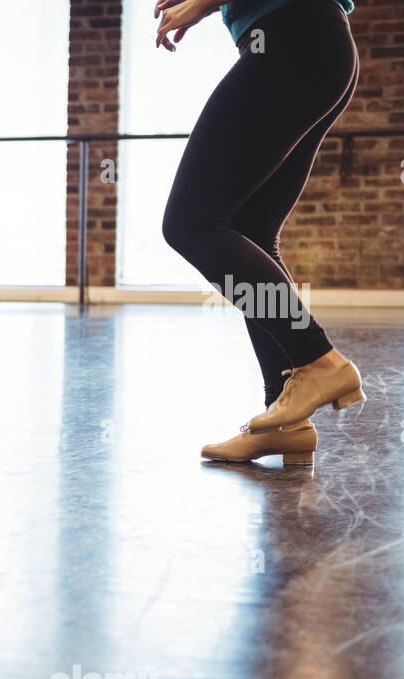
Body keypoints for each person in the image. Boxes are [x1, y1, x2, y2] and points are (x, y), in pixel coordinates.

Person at [155, 0, 362, 466]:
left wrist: (204, 5)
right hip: (316, 42)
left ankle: (319, 361)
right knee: (251, 230)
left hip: (290, 38)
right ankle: (285, 419)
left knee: (189, 223)